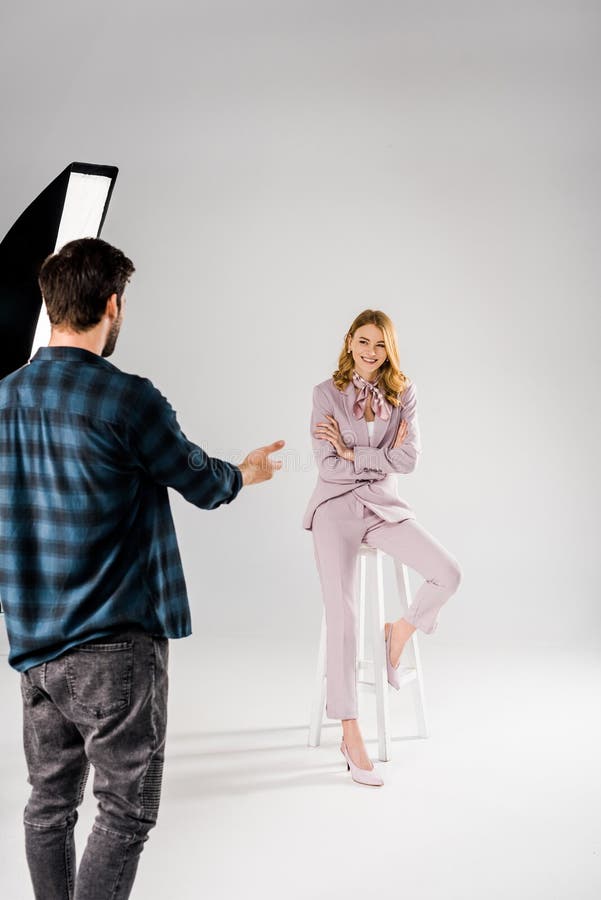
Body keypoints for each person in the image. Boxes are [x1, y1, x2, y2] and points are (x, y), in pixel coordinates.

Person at [0, 237, 284, 899]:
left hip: (34, 648)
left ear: (51, 306)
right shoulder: (127, 399)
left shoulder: (6, 396)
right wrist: (247, 470)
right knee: (125, 812)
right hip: (113, 648)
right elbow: (201, 481)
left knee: (48, 805)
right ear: (112, 304)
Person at [303, 309, 462, 787]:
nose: (371, 352)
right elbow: (326, 467)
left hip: (383, 506)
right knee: (345, 615)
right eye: (364, 341)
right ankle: (350, 733)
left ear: (388, 350)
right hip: (334, 508)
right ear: (350, 341)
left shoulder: (403, 393)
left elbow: (409, 460)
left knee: (447, 572)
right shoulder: (324, 394)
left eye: (380, 345)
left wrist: (354, 454)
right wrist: (370, 461)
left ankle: (399, 631)